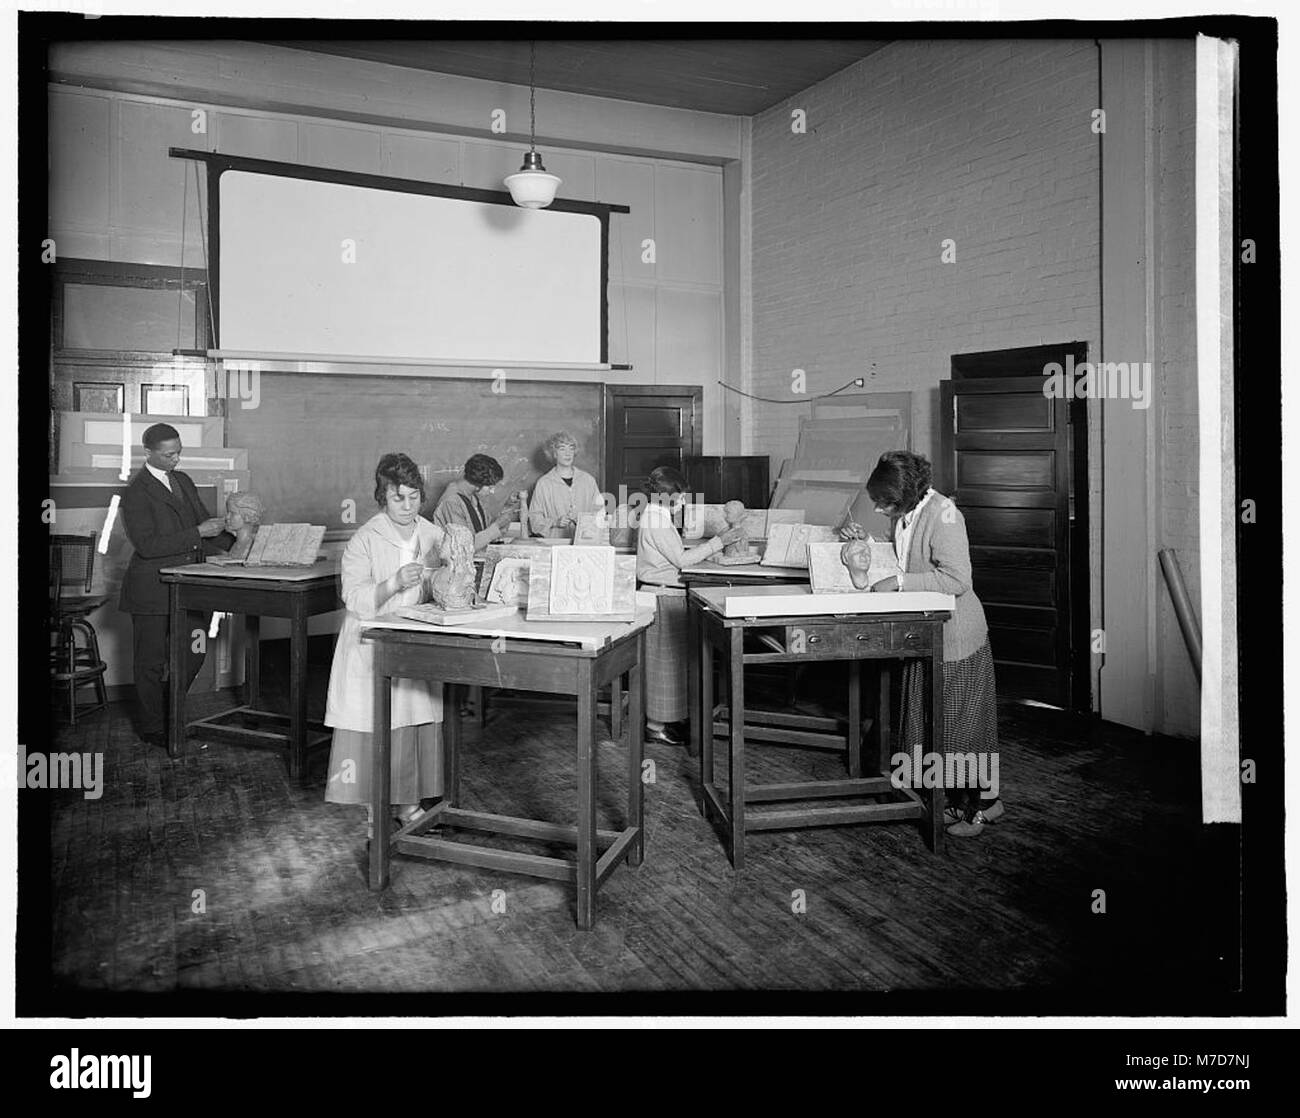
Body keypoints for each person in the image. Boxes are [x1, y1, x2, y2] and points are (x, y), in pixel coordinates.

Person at [853, 450, 1003, 837]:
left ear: (904, 495)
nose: (878, 508)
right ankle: (968, 799)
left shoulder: (946, 514)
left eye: (883, 503)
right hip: (925, 634)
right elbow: (907, 559)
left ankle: (980, 807)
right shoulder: (908, 514)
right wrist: (866, 543)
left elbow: (957, 580)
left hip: (957, 637)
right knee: (934, 723)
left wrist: (900, 584)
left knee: (960, 728)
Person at [324, 453, 444, 837]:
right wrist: (393, 583)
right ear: (382, 497)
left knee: (411, 721)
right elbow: (353, 597)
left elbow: (443, 584)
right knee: (375, 724)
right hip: (371, 646)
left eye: (414, 497)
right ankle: (374, 807)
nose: (407, 506)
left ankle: (409, 804)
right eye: (398, 499)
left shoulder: (432, 534)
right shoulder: (366, 537)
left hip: (415, 642)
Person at [119, 423, 233, 748]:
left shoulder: (182, 481)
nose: (176, 459)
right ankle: (154, 726)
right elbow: (147, 545)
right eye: (169, 454)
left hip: (189, 587)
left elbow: (207, 524)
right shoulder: (135, 491)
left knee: (195, 651)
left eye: (179, 452)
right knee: (151, 663)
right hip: (150, 590)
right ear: (149, 453)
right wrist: (199, 532)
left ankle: (169, 710)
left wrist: (244, 542)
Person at [636, 466, 744, 746]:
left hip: (666, 594)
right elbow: (681, 561)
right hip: (662, 596)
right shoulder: (656, 520)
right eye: (680, 497)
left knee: (671, 665)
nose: (683, 502)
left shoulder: (657, 515)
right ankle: (656, 727)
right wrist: (719, 542)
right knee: (664, 665)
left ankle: (666, 722)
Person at [433, 453, 519, 551]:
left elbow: (486, 529)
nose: (492, 491)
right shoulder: (451, 502)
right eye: (490, 487)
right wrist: (496, 526)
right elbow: (464, 547)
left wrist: (507, 508)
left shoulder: (473, 498)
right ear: (477, 484)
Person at [529, 431, 604, 538]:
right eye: (562, 448)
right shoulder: (544, 483)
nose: (568, 453)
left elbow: (600, 512)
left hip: (583, 545)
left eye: (571, 448)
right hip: (554, 544)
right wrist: (555, 522)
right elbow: (534, 519)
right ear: (554, 453)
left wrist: (583, 521)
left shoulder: (588, 480)